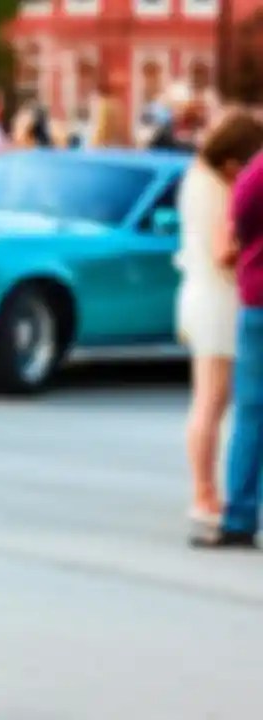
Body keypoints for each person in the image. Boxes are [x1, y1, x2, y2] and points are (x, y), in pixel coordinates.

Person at [178, 111, 263, 534]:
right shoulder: (223, 189)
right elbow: (221, 250)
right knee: (214, 400)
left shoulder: (201, 180)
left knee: (216, 401)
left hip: (209, 294)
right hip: (218, 296)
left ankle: (211, 491)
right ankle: (205, 492)